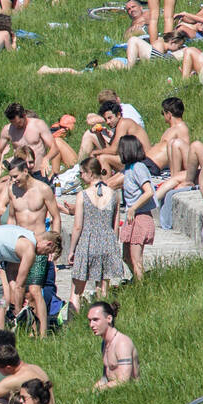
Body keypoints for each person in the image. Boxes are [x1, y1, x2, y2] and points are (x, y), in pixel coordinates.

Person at [68, 157, 122, 316]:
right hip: (107, 242)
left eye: (81, 173)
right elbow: (115, 226)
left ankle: (72, 323)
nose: (80, 177)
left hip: (87, 242)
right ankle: (103, 318)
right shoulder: (114, 194)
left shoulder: (83, 195)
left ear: (90, 173)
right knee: (103, 288)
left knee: (77, 288)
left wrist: (72, 250)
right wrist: (114, 247)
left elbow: (78, 226)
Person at [118, 136, 157, 282]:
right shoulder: (128, 169)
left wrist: (133, 208)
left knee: (136, 259)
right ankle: (136, 280)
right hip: (132, 217)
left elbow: (149, 191)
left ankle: (141, 289)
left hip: (140, 216)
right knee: (126, 256)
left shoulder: (139, 168)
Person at [0, 103, 57, 180]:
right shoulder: (8, 130)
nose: (16, 126)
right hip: (20, 174)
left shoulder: (38, 125)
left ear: (24, 115)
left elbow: (55, 148)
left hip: (38, 172)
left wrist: (46, 158)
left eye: (19, 123)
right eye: (13, 123)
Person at [89, 301, 138, 390]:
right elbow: (105, 378)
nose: (91, 325)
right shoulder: (105, 343)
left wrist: (99, 390)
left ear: (109, 319)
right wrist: (91, 390)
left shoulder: (122, 343)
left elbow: (124, 381)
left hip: (128, 395)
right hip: (112, 392)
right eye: (90, 320)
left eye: (95, 320)